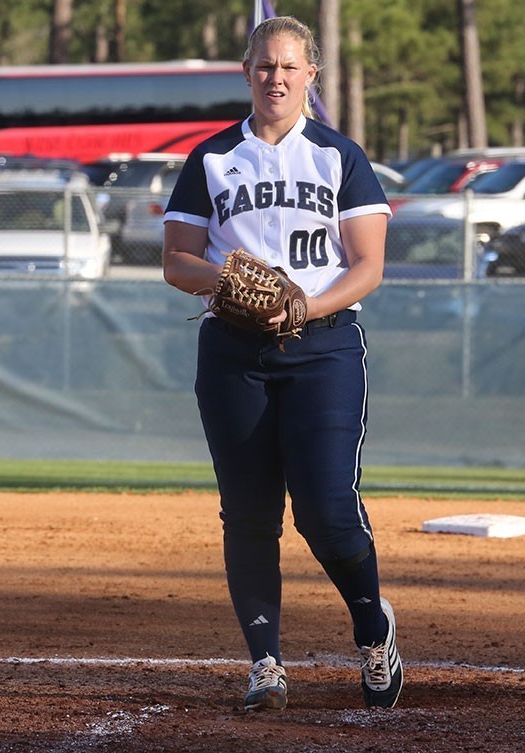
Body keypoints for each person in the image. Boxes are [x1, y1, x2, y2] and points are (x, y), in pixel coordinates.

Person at [162, 16, 402, 711]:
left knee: (327, 510)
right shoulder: (211, 158)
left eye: (290, 67)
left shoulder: (337, 155)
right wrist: (224, 283)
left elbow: (369, 265)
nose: (277, 78)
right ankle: (265, 662)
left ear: (311, 77)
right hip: (234, 350)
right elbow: (176, 258)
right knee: (248, 512)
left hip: (323, 349)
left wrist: (308, 304)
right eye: (265, 66)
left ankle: (373, 628)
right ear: (247, 72)